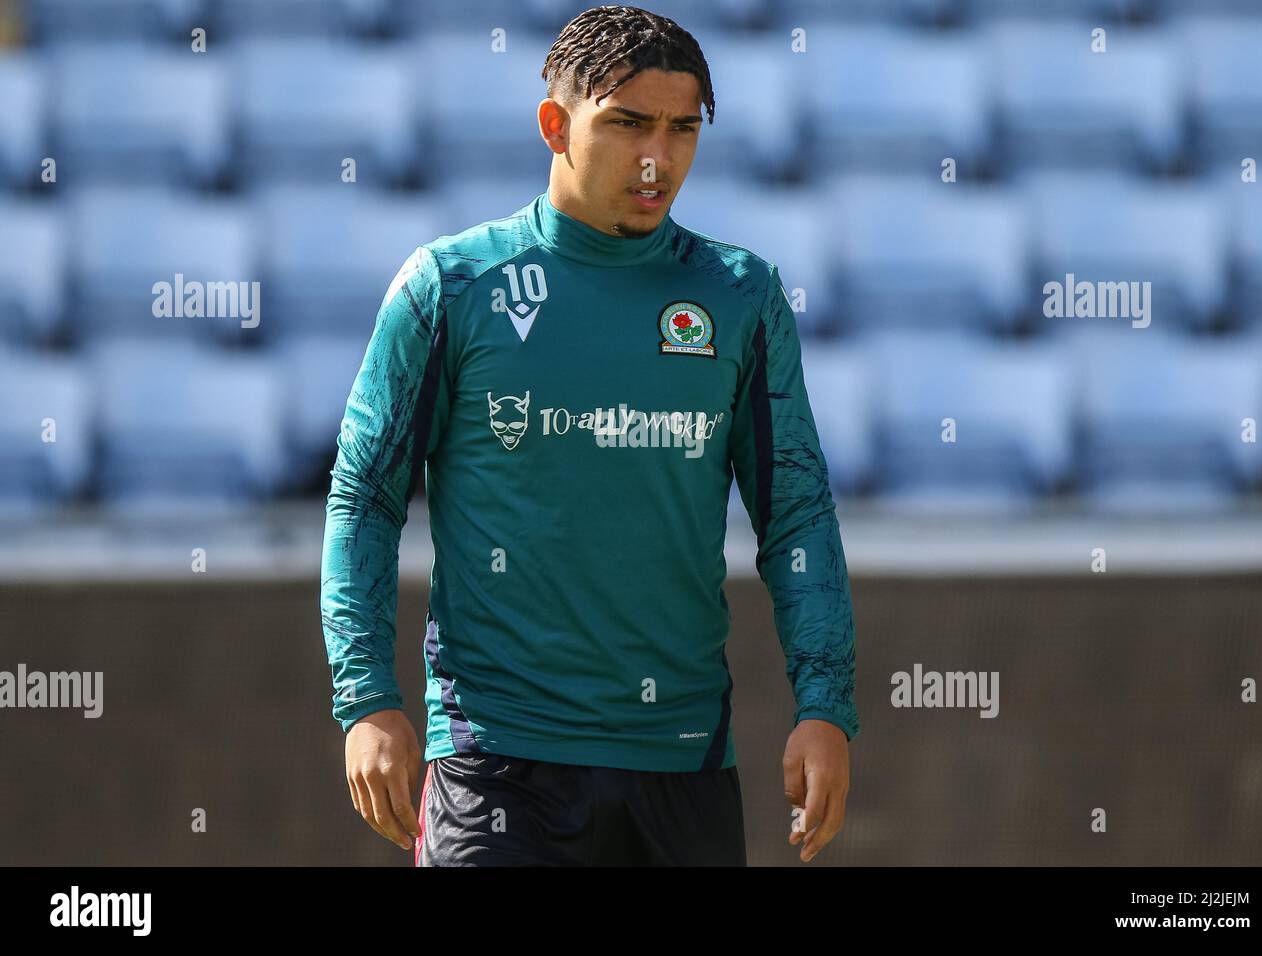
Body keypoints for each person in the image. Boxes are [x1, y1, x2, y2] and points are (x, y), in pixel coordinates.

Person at [320, 4, 858, 867]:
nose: (658, 156)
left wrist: (825, 706)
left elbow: (794, 513)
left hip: (682, 758)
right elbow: (365, 499)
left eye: (683, 129)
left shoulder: (741, 297)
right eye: (628, 124)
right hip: (495, 762)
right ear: (555, 125)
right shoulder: (452, 288)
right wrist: (366, 699)